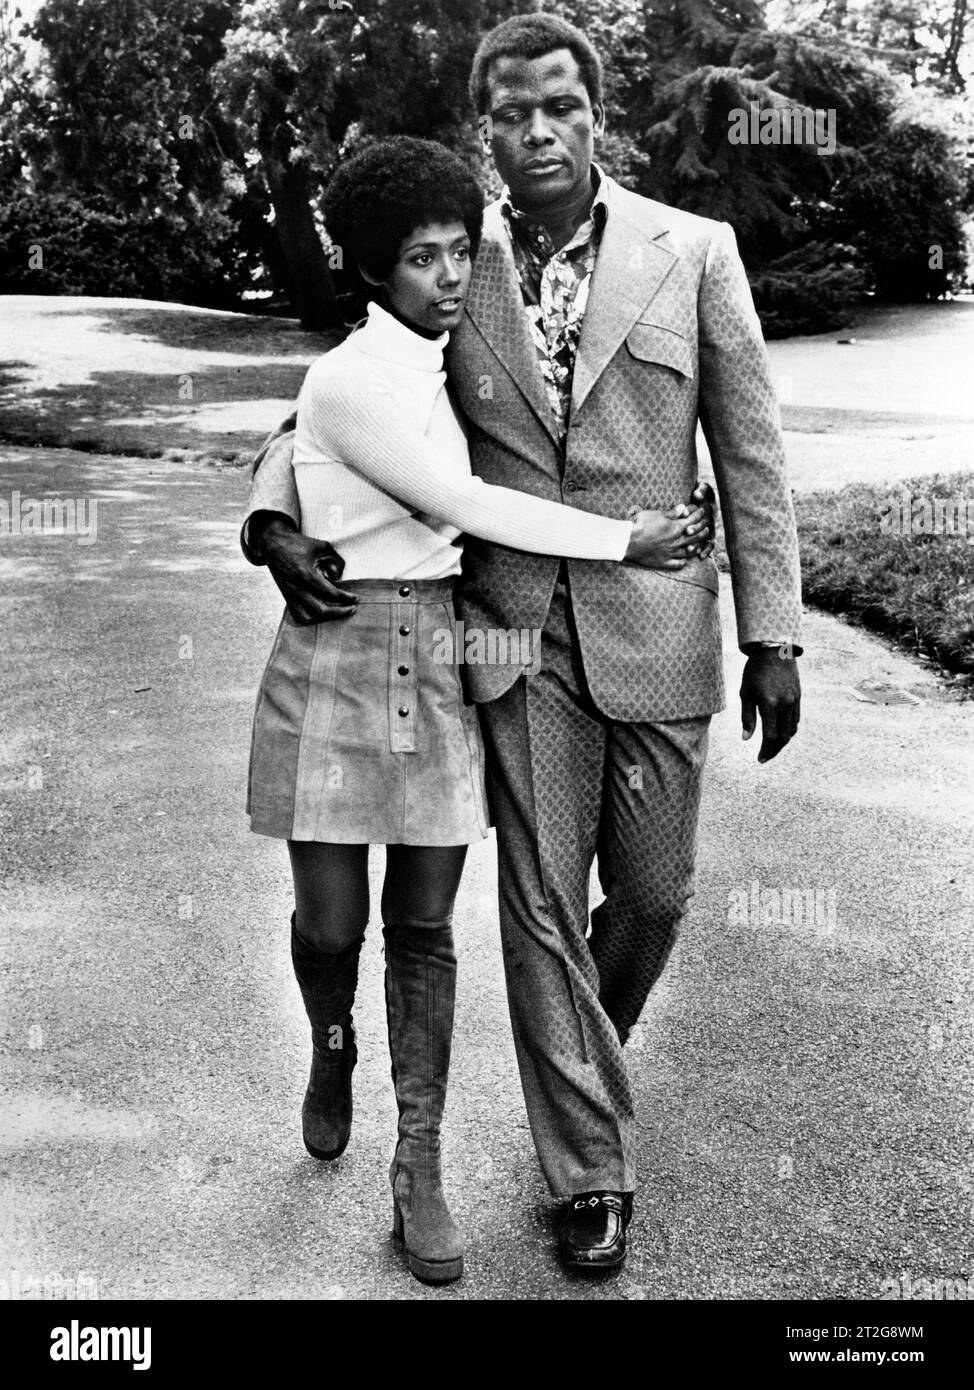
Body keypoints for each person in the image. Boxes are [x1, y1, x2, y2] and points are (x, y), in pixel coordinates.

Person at [245, 11, 802, 1277]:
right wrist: (269, 524)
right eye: (510, 113)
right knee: (541, 909)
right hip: (503, 645)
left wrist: (773, 630)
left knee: (650, 902)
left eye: (559, 106)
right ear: (483, 128)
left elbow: (750, 452)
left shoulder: (690, 252)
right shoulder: (450, 260)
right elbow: (327, 406)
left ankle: (574, 1078)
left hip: (659, 632)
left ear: (595, 114)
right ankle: (587, 1172)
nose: (536, 131)